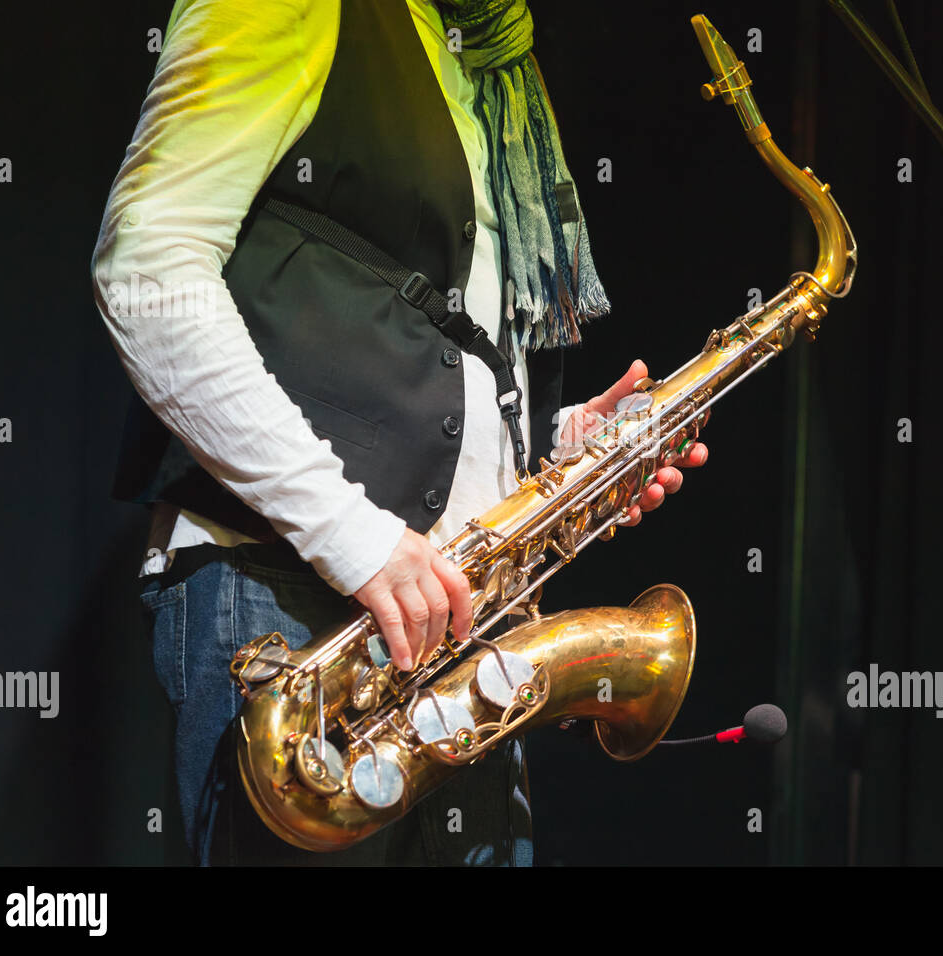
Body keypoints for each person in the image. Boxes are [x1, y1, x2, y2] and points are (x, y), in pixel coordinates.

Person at [90, 0, 706, 866]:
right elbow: (148, 272)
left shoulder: (500, 66)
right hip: (293, 613)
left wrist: (562, 450)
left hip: (466, 632)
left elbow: (433, 344)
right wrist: (355, 536)